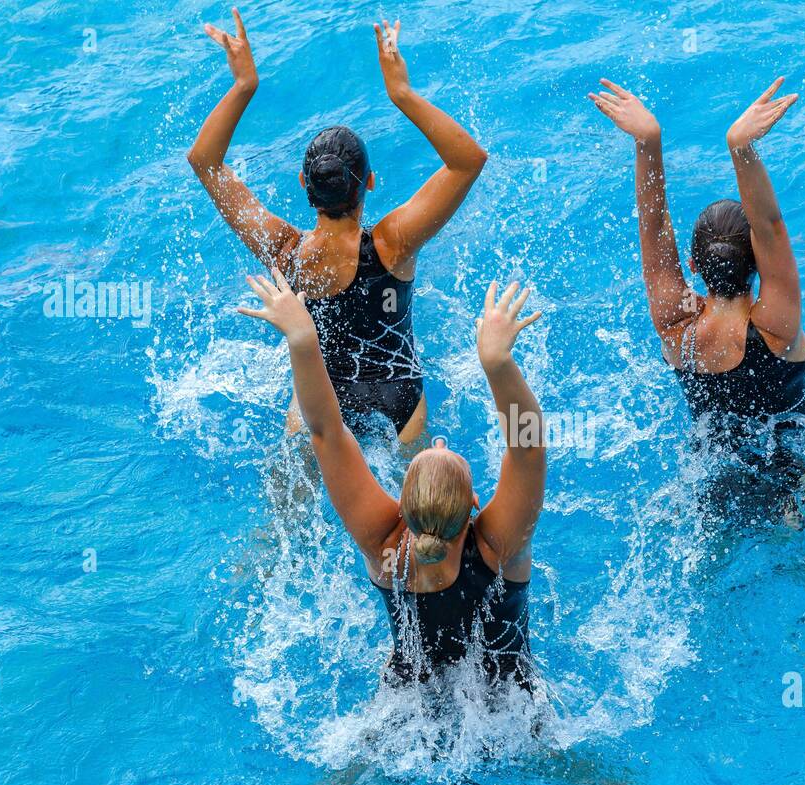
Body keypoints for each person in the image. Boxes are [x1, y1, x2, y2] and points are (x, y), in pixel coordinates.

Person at [237, 268, 545, 692]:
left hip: (407, 705)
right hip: (510, 698)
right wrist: (497, 363)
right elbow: (528, 446)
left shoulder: (387, 550)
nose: (436, 439)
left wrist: (303, 339)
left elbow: (326, 430)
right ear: (476, 502)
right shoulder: (500, 549)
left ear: (401, 506)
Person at [188, 12, 488, 442]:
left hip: (320, 402)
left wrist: (243, 85)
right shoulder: (393, 244)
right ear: (368, 182)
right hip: (398, 396)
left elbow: (205, 163)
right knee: (422, 506)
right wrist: (401, 92)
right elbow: (468, 161)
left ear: (303, 185)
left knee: (290, 505)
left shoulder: (282, 250)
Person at [589, 76, 805, 522]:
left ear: (693, 263)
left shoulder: (677, 328)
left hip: (712, 489)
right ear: (757, 266)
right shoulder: (775, 328)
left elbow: (653, 226)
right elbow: (770, 225)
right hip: (793, 486)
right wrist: (741, 148)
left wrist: (647, 141)